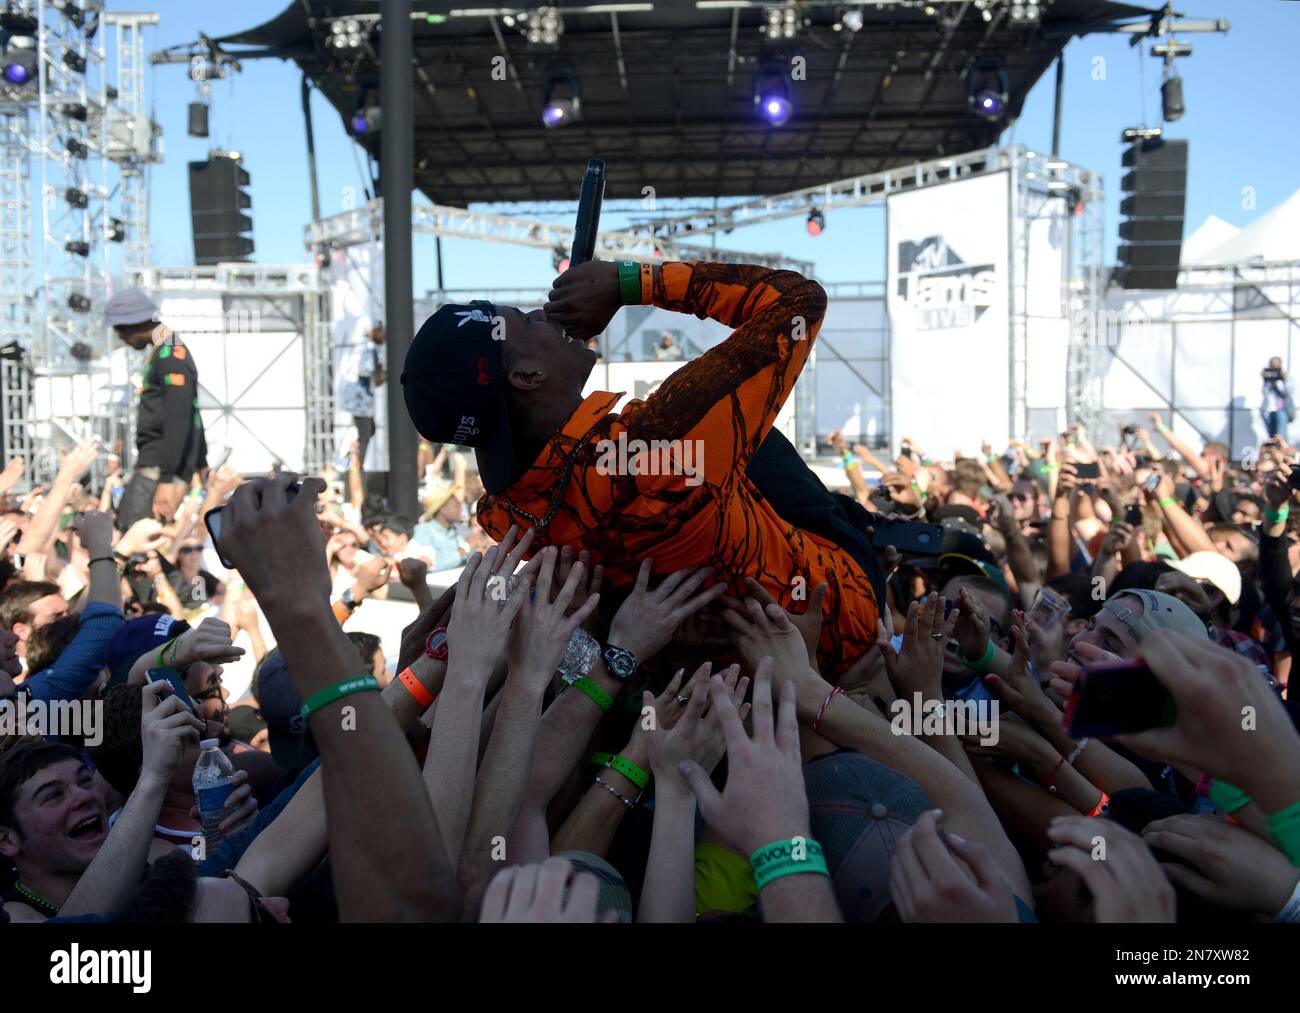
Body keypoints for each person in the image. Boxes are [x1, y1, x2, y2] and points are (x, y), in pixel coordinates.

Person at [401, 260, 882, 674]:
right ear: (527, 376)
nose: (546, 315)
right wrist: (629, 283)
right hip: (845, 614)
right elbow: (798, 298)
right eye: (527, 322)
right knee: (753, 437)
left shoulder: (511, 517)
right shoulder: (661, 441)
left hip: (732, 669)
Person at [104, 287, 207, 529]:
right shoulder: (167, 349)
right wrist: (201, 459)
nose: (121, 338)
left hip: (159, 470)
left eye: (120, 330)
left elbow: (180, 417)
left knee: (134, 537)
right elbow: (192, 411)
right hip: (160, 468)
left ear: (132, 325)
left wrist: (167, 479)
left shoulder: (170, 354)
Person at [338, 319, 386, 469]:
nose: (383, 334)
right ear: (370, 331)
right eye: (379, 330)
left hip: (359, 399)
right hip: (360, 400)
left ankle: (347, 462)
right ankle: (356, 468)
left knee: (369, 430)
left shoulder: (365, 347)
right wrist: (382, 371)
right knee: (365, 434)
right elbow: (367, 371)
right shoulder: (368, 348)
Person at [1261, 356, 1294, 439]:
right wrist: (1265, 379)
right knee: (1272, 438)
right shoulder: (1268, 377)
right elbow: (1264, 393)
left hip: (1281, 410)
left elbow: (1288, 392)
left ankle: (1285, 451)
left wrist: (1283, 379)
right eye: (1272, 366)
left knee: (1281, 437)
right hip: (1268, 410)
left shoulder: (1285, 377)